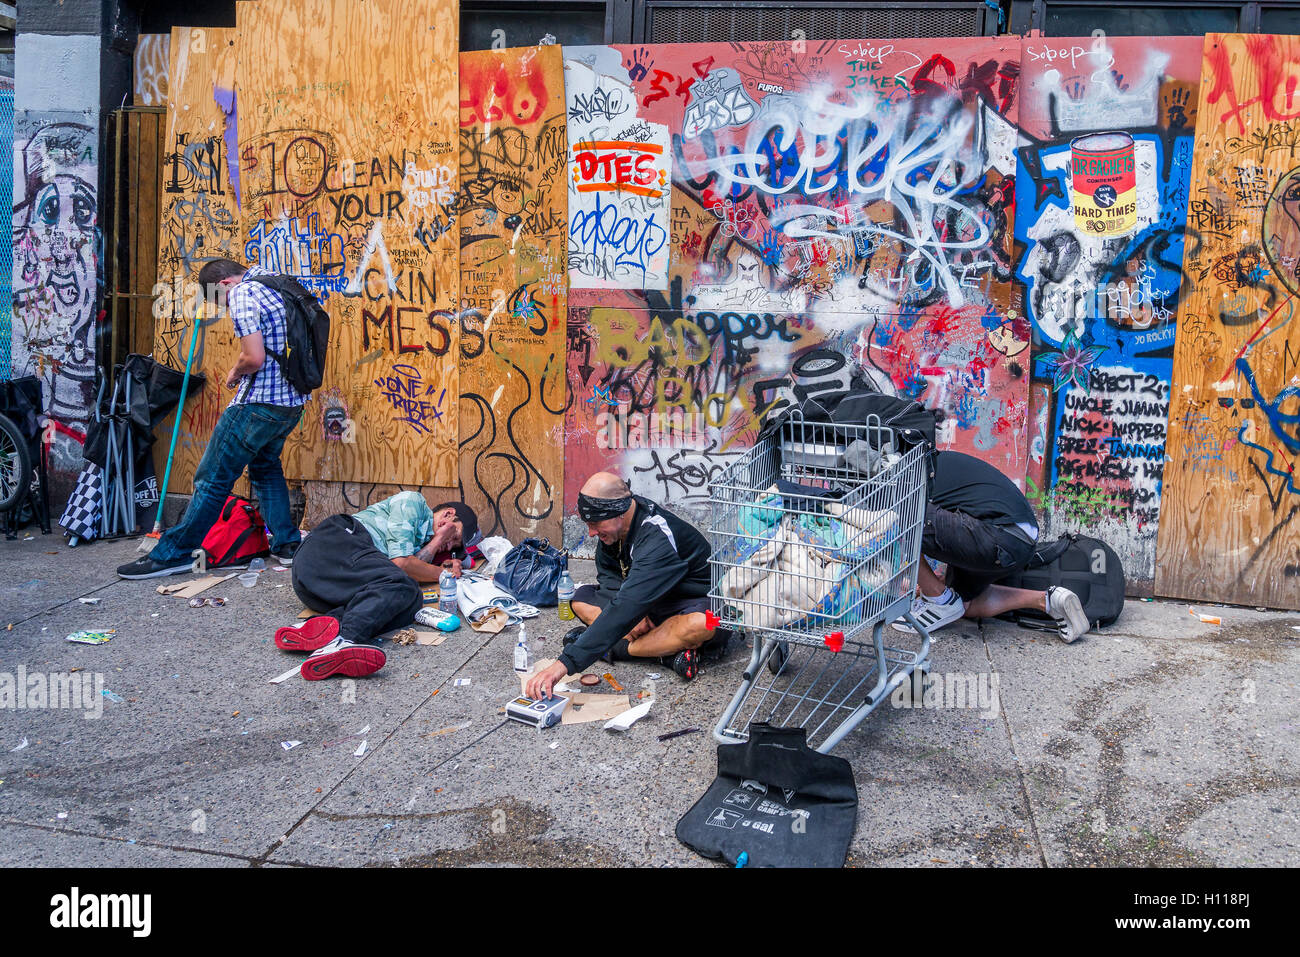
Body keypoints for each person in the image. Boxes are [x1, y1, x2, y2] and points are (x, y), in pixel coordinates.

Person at [117, 258, 308, 579]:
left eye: (219, 301)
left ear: (223, 285)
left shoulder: (244, 294)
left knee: (212, 479)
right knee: (264, 467)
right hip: (292, 403)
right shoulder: (277, 284)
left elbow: (254, 356)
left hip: (256, 404)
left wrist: (234, 371)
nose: (224, 307)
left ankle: (173, 553)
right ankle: (287, 544)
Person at [524, 472, 725, 699]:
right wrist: (634, 616)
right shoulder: (615, 530)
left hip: (695, 605)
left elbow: (627, 605)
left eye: (595, 524)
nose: (591, 533)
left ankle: (621, 650)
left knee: (705, 624)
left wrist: (564, 663)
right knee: (578, 600)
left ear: (619, 512)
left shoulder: (657, 536)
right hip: (649, 604)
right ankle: (663, 655)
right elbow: (609, 578)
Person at [277, 492, 480, 680]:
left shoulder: (420, 543)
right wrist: (444, 569)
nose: (449, 545)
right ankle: (344, 640)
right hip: (333, 544)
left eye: (453, 545)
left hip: (322, 589)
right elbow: (402, 565)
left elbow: (407, 568)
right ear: (448, 514)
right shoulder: (413, 502)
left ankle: (324, 627)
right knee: (404, 586)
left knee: (408, 602)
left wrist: (439, 549)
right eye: (454, 537)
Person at [892, 450, 1091, 642]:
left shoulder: (909, 475)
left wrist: (931, 588)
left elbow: (916, 521)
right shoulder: (932, 461)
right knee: (963, 603)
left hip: (998, 535)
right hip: (1020, 541)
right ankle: (1049, 600)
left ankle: (939, 598)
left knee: (897, 514)